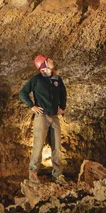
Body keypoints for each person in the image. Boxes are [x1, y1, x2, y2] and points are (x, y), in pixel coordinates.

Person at [18, 54, 66, 183]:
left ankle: (57, 175)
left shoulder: (56, 78)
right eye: (48, 59)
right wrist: (32, 106)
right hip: (42, 116)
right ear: (43, 66)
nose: (51, 59)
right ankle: (33, 174)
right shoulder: (36, 79)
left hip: (54, 116)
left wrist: (62, 106)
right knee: (38, 146)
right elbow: (23, 93)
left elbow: (63, 93)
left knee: (57, 147)